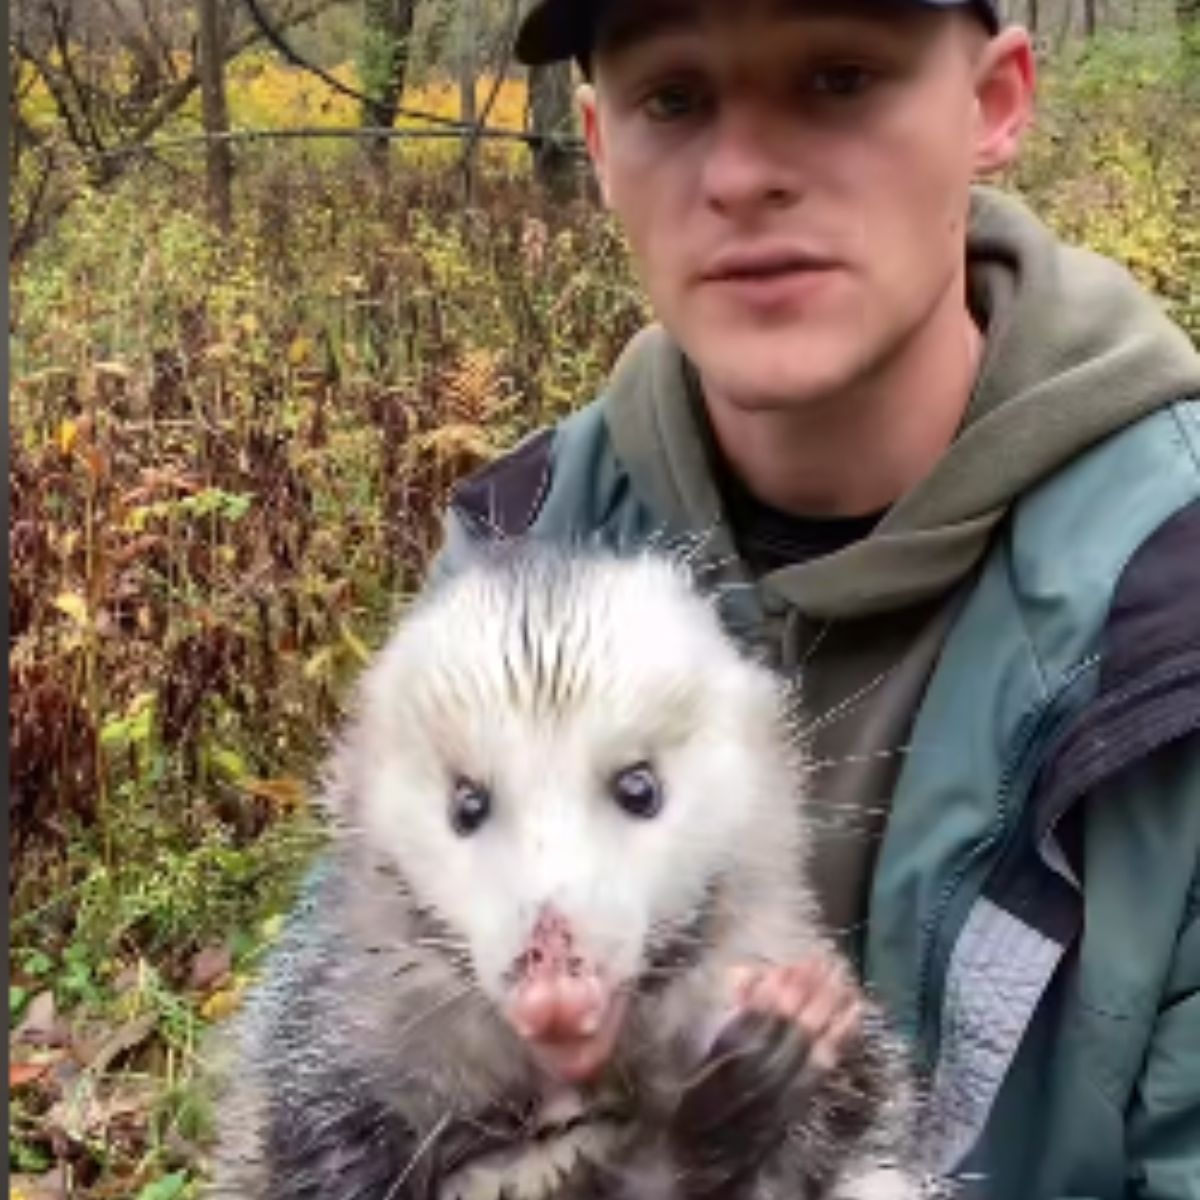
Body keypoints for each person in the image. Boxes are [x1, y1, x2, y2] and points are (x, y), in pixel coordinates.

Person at [428, 1, 1200, 1195]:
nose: (741, 175)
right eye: (674, 99)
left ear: (993, 104)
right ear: (598, 144)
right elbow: (377, 1059)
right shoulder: (513, 557)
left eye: (839, 79)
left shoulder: (1173, 604)